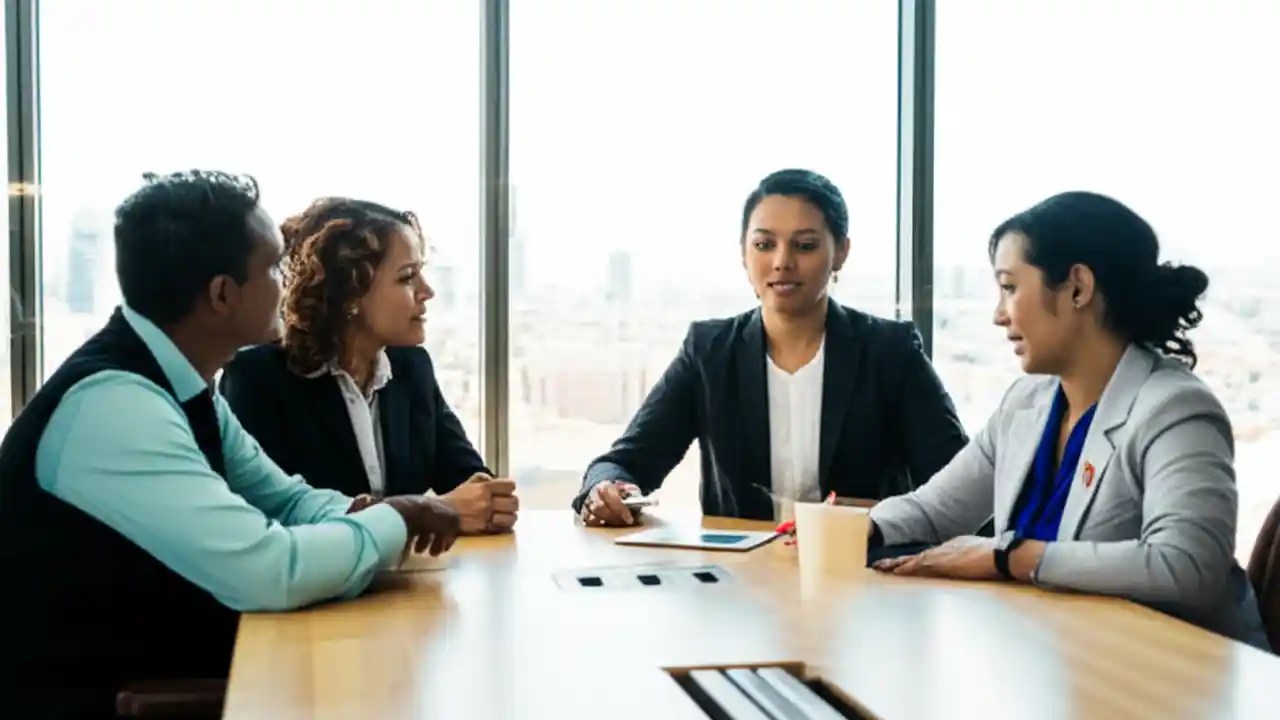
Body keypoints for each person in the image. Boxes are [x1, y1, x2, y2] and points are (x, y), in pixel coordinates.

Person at [0, 171, 462, 716]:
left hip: (185, 669)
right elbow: (268, 570)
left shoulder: (184, 386)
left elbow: (287, 500)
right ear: (223, 294)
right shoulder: (114, 406)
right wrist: (398, 518)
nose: (289, 283)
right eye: (273, 267)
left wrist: (368, 511)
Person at [868, 191, 1269, 649]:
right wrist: (858, 530)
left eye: (1010, 287)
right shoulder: (1026, 403)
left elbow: (1185, 567)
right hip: (1061, 653)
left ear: (1078, 287)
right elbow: (932, 511)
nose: (999, 315)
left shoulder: (1174, 409)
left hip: (1173, 667)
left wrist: (1008, 558)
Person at [575, 169, 968, 525]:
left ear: (841, 252)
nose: (782, 262)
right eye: (764, 245)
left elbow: (962, 483)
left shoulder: (890, 352)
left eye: (805, 245)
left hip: (863, 567)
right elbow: (623, 463)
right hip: (742, 571)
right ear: (743, 252)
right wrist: (608, 490)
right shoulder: (710, 352)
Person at [219, 198, 518, 535]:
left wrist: (488, 502)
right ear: (349, 294)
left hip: (407, 570)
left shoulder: (411, 367)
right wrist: (433, 511)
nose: (427, 291)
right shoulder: (258, 376)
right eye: (407, 277)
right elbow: (269, 516)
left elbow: (471, 483)